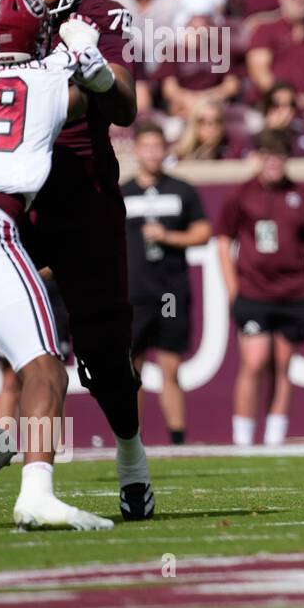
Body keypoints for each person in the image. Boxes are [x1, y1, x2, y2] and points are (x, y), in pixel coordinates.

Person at [3, 0, 153, 521]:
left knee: (103, 355)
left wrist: (91, 70)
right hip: (9, 195)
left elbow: (125, 106)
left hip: (83, 200)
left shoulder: (99, 16)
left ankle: (131, 457)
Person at [0, 0, 110, 529]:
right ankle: (37, 491)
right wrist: (85, 51)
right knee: (45, 364)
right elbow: (104, 94)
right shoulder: (54, 74)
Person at [217, 130, 304, 447]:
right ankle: (243, 437)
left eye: (279, 155)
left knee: (283, 364)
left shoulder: (301, 195)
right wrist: (233, 287)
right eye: (268, 155)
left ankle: (275, 436)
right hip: (254, 291)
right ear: (258, 157)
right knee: (254, 361)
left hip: (293, 292)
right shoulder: (241, 194)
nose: (273, 162)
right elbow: (224, 240)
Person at [122, 123, 212, 446]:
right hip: (134, 294)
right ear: (135, 150)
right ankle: (133, 441)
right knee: (132, 371)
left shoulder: (182, 190)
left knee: (171, 367)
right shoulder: (123, 193)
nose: (152, 154)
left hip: (171, 293)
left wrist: (169, 237)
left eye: (158, 147)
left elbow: (203, 232)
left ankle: (177, 439)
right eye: (146, 147)